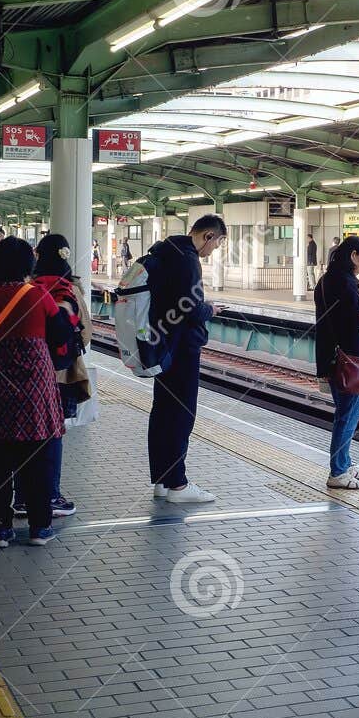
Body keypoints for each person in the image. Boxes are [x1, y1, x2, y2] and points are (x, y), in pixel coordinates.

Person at [0, 237, 65, 547]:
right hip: (34, 387)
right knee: (38, 459)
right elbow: (61, 337)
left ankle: (0, 530)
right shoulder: (39, 296)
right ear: (28, 264)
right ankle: (39, 528)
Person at [146, 214, 225, 504]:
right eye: (216, 243)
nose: (213, 250)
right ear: (208, 236)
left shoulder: (164, 251)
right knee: (181, 414)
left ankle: (162, 481)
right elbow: (190, 309)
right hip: (182, 349)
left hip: (162, 346)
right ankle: (178, 485)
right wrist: (210, 310)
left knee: (162, 411)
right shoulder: (188, 260)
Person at [313, 236, 359, 490]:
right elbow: (356, 319)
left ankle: (344, 463)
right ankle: (338, 472)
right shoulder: (345, 282)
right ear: (354, 255)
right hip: (346, 359)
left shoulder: (326, 280)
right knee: (346, 416)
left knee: (346, 414)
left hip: (332, 355)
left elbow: (339, 319)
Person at [25, 232, 83, 518]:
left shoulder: (28, 287)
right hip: (59, 372)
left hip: (26, 369)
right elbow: (83, 331)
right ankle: (51, 496)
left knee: (26, 433)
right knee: (53, 433)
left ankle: (21, 499)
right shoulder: (69, 288)